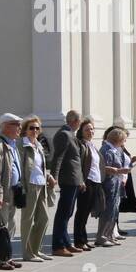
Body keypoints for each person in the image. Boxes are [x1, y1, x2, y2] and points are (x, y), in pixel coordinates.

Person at [0, 113, 24, 270]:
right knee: (0, 226)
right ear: (6, 126)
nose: (20, 128)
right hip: (3, 193)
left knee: (10, 225)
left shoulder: (13, 144)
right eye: (16, 124)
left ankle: (6, 256)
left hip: (14, 191)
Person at [18, 117, 56, 261]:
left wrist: (48, 176)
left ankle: (36, 250)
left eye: (37, 128)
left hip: (41, 184)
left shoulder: (39, 145)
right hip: (30, 185)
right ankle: (27, 253)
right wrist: (21, 186)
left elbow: (39, 167)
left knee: (44, 218)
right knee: (27, 219)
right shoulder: (22, 144)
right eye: (31, 128)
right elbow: (21, 167)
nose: (34, 131)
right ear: (25, 130)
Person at [49, 110, 85, 256]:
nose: (80, 124)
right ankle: (58, 246)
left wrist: (81, 179)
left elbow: (76, 159)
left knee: (68, 212)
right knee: (63, 213)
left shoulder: (70, 133)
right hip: (68, 179)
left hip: (74, 178)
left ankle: (66, 243)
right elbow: (58, 157)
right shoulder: (64, 134)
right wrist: (54, 177)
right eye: (80, 121)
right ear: (75, 121)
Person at [98, 127, 134, 245]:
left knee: (114, 210)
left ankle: (109, 235)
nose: (124, 142)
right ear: (118, 139)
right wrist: (119, 171)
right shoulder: (107, 149)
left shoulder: (115, 149)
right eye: (123, 139)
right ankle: (102, 237)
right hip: (109, 184)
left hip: (116, 184)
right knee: (108, 210)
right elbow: (104, 168)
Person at [71, 119, 101, 251]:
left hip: (95, 180)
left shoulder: (92, 145)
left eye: (92, 129)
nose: (91, 131)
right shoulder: (81, 144)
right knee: (82, 211)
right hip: (86, 181)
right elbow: (78, 165)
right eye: (87, 129)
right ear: (81, 132)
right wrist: (81, 180)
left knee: (87, 211)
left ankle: (84, 239)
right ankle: (79, 240)